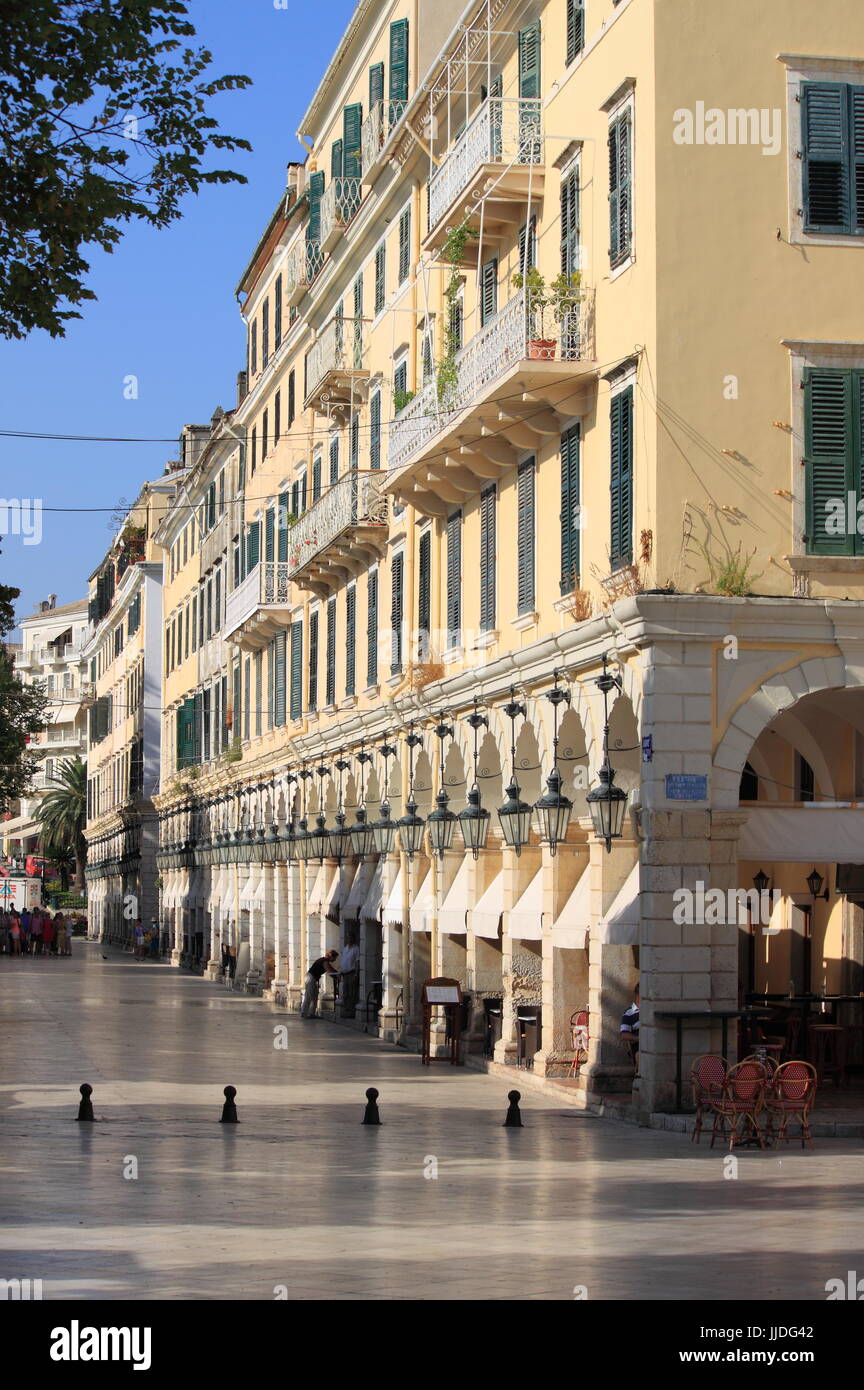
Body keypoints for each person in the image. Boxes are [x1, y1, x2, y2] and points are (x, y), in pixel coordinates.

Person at [301, 950, 339, 1018]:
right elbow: (330, 971)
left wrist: (336, 972)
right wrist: (337, 975)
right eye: (335, 958)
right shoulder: (325, 962)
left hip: (309, 977)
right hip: (311, 978)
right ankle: (310, 1013)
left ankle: (304, 1012)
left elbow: (331, 969)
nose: (335, 960)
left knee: (308, 996)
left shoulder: (323, 960)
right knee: (313, 996)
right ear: (331, 957)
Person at [339, 933, 360, 1019]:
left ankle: (351, 1011)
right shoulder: (345, 949)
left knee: (352, 993)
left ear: (353, 939)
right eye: (348, 938)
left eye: (351, 938)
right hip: (344, 974)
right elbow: (343, 960)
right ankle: (346, 1010)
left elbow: (357, 962)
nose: (349, 939)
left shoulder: (356, 949)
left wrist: (356, 974)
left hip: (351, 973)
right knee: (345, 993)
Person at [620, 984, 640, 1067]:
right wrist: (639, 1038)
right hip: (639, 1047)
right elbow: (624, 1035)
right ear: (637, 995)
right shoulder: (629, 1012)